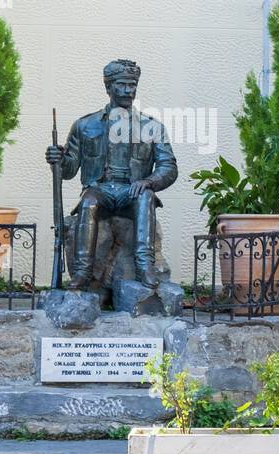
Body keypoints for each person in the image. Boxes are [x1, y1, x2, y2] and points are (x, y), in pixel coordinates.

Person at [45, 59, 178, 288]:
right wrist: (57, 160)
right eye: (123, 85)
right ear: (108, 88)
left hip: (132, 190)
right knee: (88, 201)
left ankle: (144, 266)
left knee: (145, 196)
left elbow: (169, 167)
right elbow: (68, 170)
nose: (129, 91)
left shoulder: (151, 127)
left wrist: (148, 181)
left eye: (133, 85)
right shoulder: (85, 125)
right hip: (100, 189)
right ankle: (83, 272)